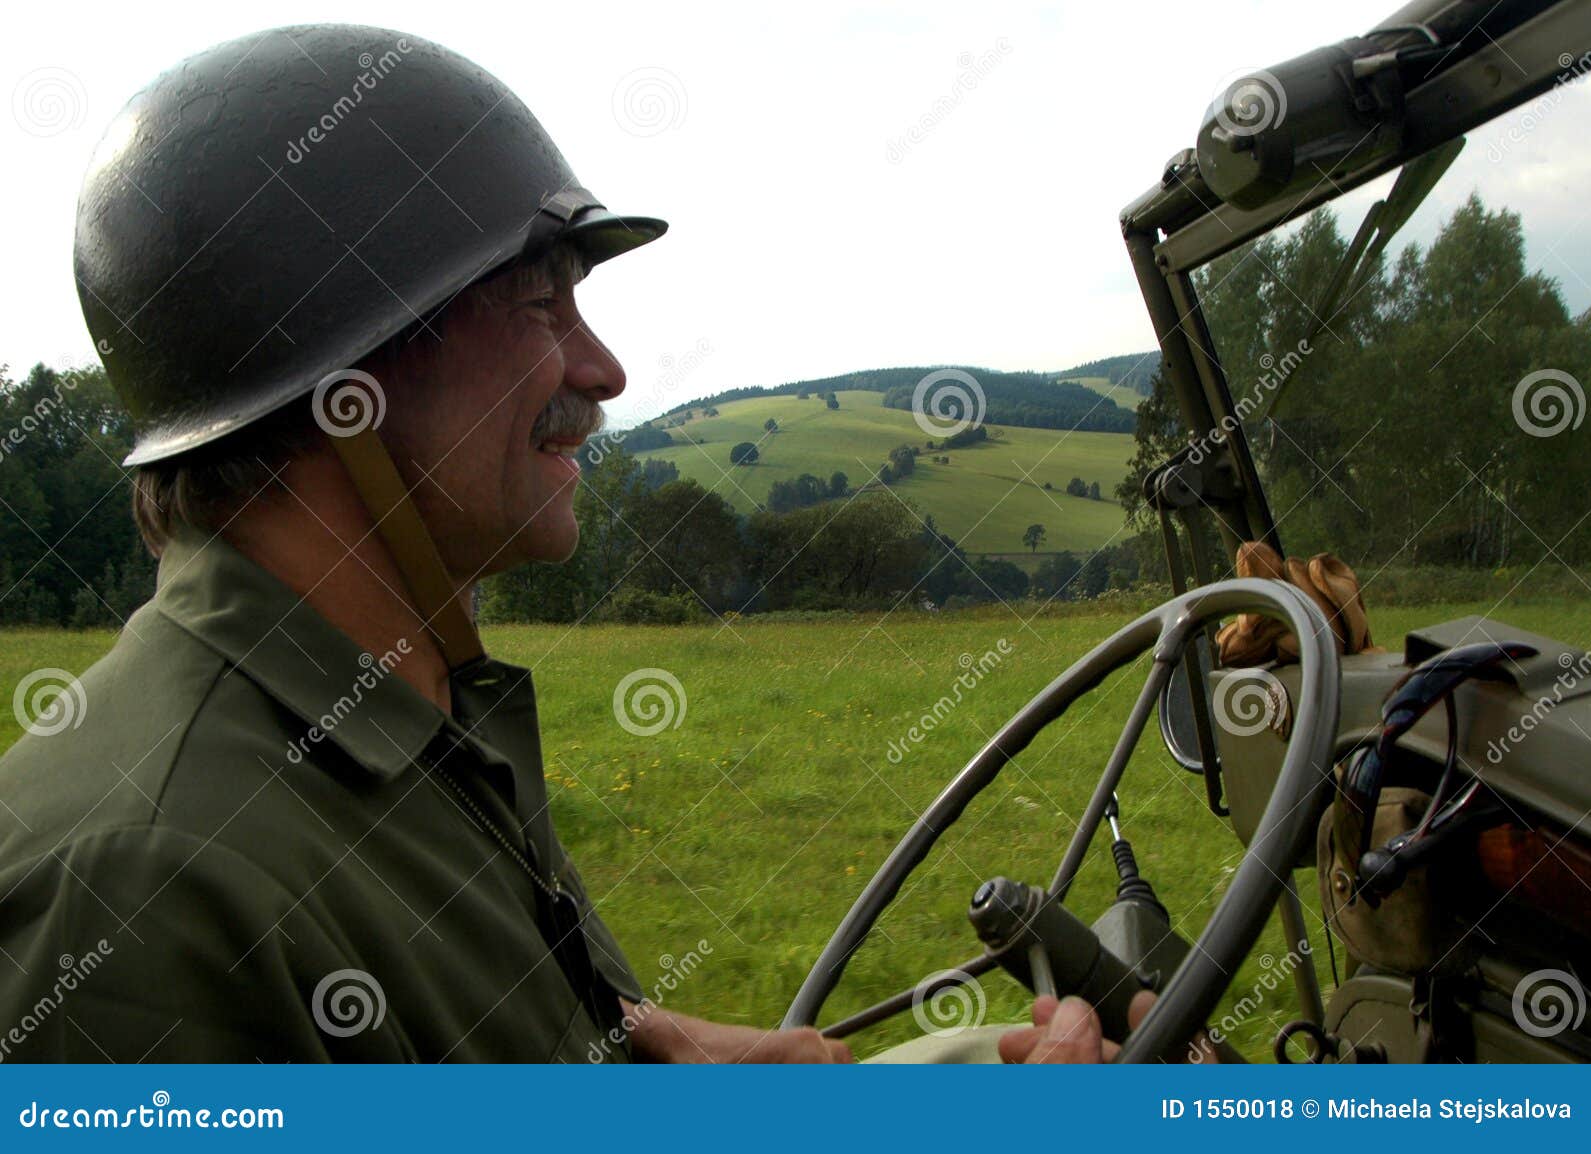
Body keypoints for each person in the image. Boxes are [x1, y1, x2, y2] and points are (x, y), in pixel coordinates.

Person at [0, 24, 1127, 1064]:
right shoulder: (137, 888)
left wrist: (647, 1062)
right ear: (347, 376)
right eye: (542, 305)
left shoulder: (407, 717)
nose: (604, 371)